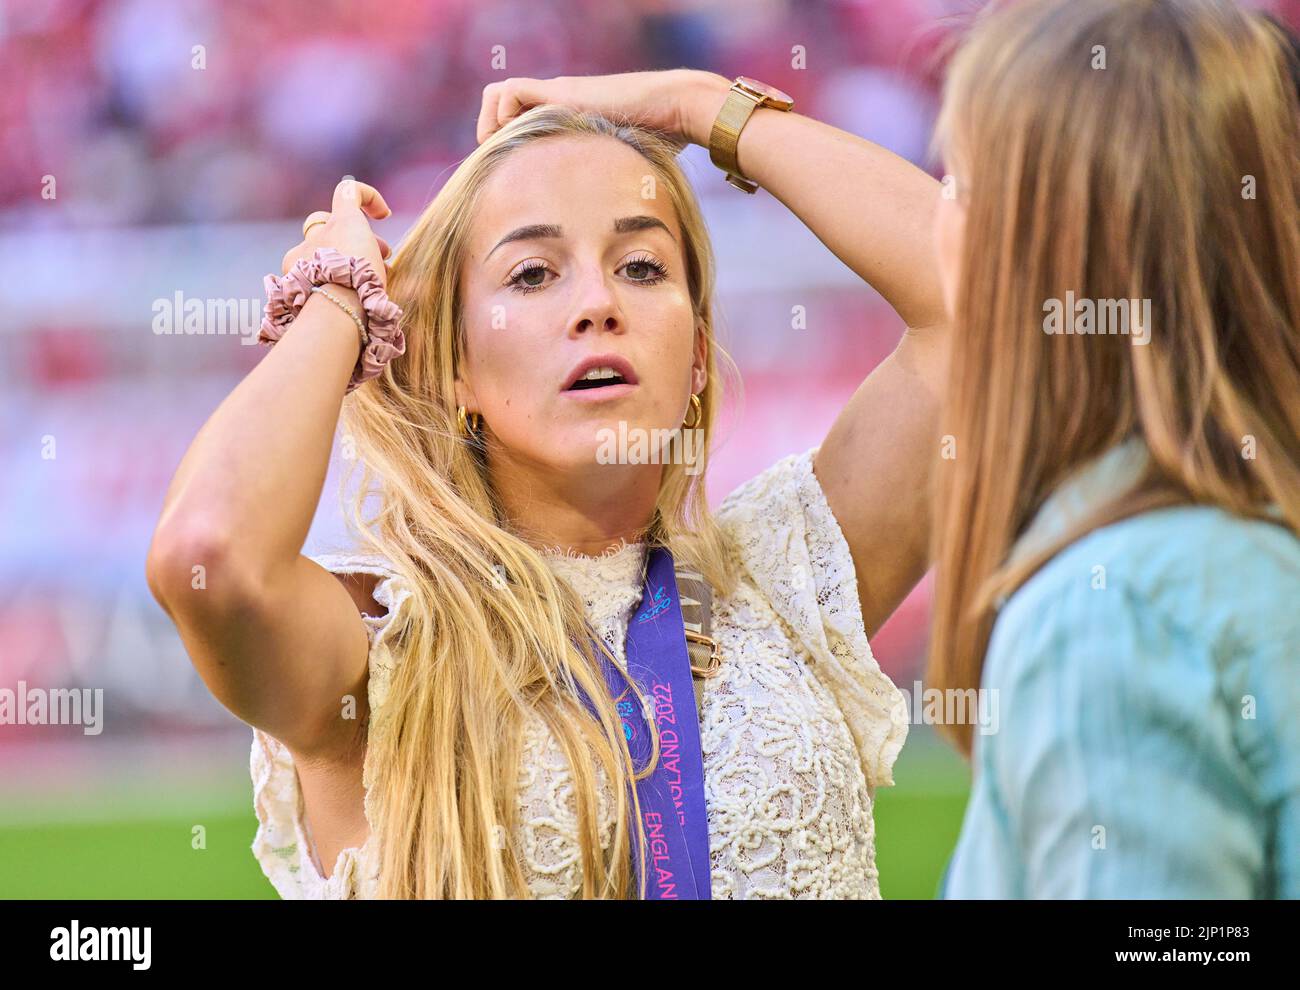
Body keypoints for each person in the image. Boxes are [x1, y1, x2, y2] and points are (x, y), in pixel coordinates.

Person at [147, 70, 951, 897]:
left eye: (641, 267)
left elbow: (982, 299)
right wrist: (339, 303)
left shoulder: (782, 575)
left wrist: (699, 106)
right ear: (453, 364)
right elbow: (209, 554)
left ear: (700, 353)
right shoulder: (381, 644)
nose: (599, 303)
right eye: (533, 275)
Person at [919, 0, 1300, 897]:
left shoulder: (1113, 613)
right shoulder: (1239, 540)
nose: (934, 218)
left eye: (957, 181)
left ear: (1028, 249)